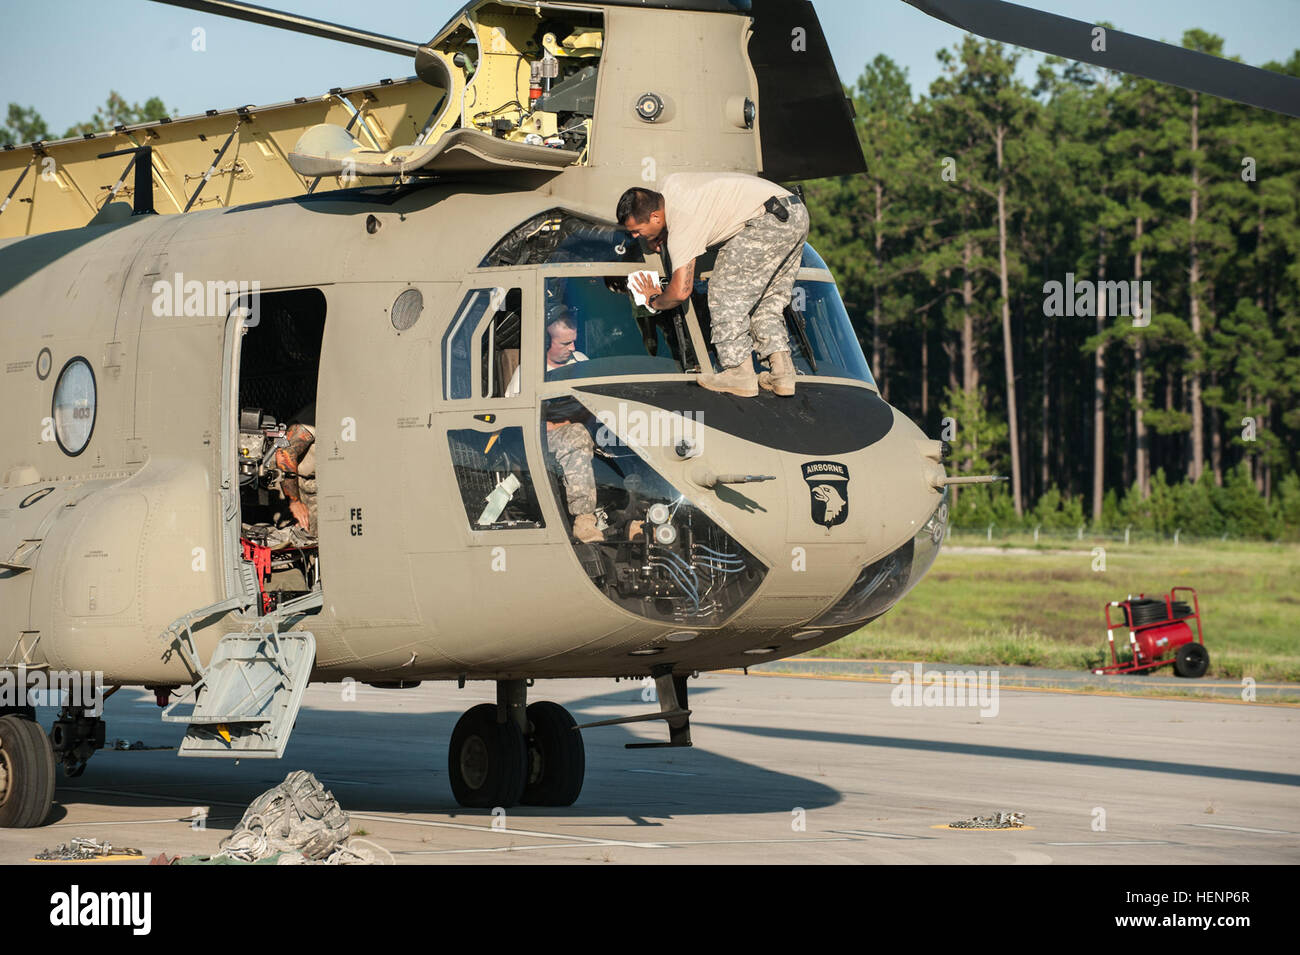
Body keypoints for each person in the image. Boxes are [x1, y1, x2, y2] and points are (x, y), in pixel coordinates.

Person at [616, 172, 810, 397]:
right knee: (767, 300)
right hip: (795, 212)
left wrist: (654, 300)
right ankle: (782, 372)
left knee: (724, 293)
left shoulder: (682, 224)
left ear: (656, 218)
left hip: (765, 222)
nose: (637, 237)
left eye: (637, 231)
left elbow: (681, 291)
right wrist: (662, 232)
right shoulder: (669, 186)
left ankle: (739, 372)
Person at [505, 307, 602, 543]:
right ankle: (584, 520)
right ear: (546, 343)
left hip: (587, 429)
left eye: (573, 342)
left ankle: (637, 517)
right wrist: (560, 425)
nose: (573, 349)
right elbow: (515, 420)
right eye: (565, 343)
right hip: (545, 438)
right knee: (576, 435)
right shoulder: (528, 374)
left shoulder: (582, 363)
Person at [275, 403, 317, 538]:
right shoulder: (316, 412)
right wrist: (295, 502)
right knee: (305, 541)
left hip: (316, 485)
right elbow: (285, 453)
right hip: (296, 485)